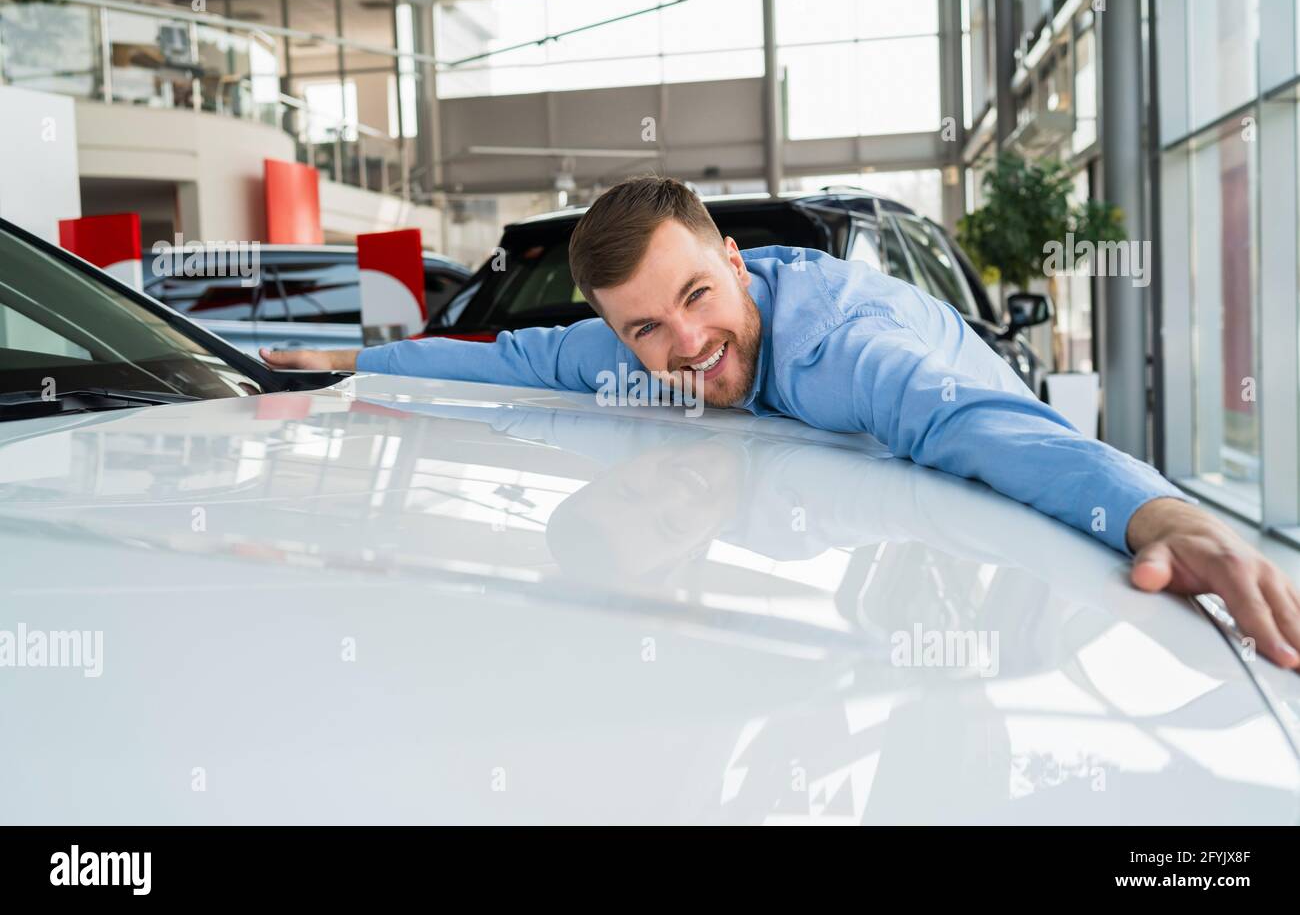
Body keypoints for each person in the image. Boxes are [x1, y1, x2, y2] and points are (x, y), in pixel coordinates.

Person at [262, 174, 1300, 669]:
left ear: (730, 255)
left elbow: (980, 425)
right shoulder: (632, 353)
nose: (686, 344)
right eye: (646, 330)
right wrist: (340, 364)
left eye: (699, 298)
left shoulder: (847, 347)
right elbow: (499, 358)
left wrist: (1154, 511)